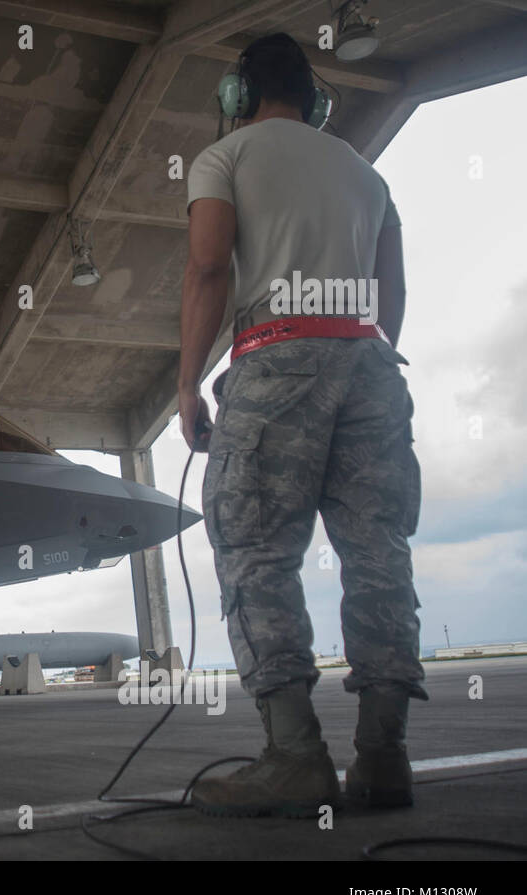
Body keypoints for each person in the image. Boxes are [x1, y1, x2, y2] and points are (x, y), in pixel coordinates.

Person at [177, 33, 424, 817]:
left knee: (254, 550)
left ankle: (294, 755)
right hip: (371, 368)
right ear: (315, 100)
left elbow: (210, 267)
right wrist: (364, 355)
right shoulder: (366, 173)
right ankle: (384, 757)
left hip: (277, 359)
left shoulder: (226, 158)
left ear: (237, 95)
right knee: (379, 553)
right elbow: (391, 297)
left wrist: (187, 386)